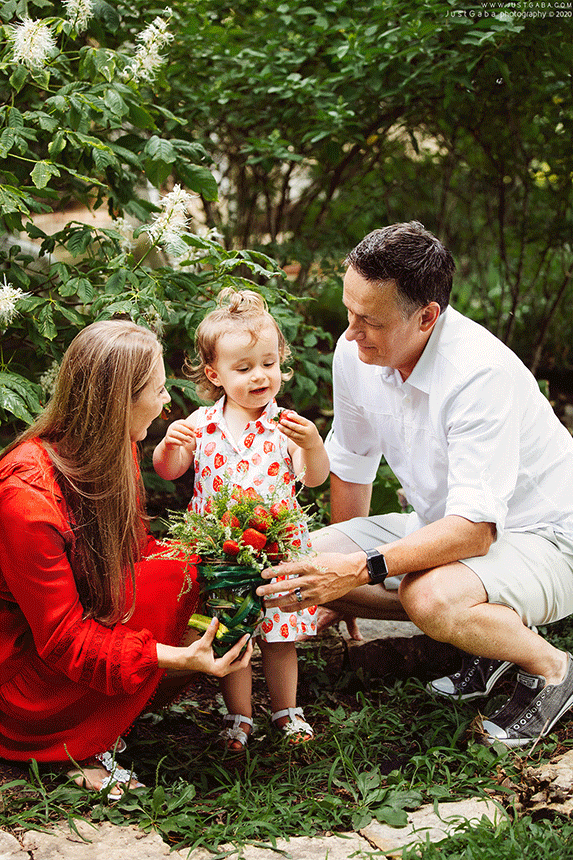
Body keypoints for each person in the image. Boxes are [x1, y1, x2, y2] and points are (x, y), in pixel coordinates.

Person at [257, 221, 573, 748]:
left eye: (370, 321)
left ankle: (553, 669)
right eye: (349, 311)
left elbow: (475, 532)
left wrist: (358, 571)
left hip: (545, 538)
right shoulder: (357, 352)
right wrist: (336, 581)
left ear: (428, 317)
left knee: (428, 597)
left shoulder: (478, 374)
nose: (352, 332)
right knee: (297, 558)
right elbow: (353, 463)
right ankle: (489, 645)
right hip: (441, 525)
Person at [0, 320, 252, 796]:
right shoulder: (25, 497)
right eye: (157, 390)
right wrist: (176, 656)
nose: (165, 404)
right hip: (16, 691)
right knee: (171, 584)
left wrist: (226, 563)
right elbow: (61, 637)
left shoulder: (113, 451)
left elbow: (134, 554)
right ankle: (69, 746)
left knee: (182, 570)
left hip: (64, 643)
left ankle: (96, 723)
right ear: (120, 401)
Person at [153, 288, 330, 749]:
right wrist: (170, 444)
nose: (260, 376)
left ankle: (287, 711)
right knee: (231, 635)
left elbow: (312, 479)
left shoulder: (285, 424)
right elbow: (170, 471)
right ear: (215, 374)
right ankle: (240, 717)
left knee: (278, 636)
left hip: (274, 547)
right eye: (244, 368)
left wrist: (312, 445)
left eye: (268, 363)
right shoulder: (202, 424)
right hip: (221, 551)